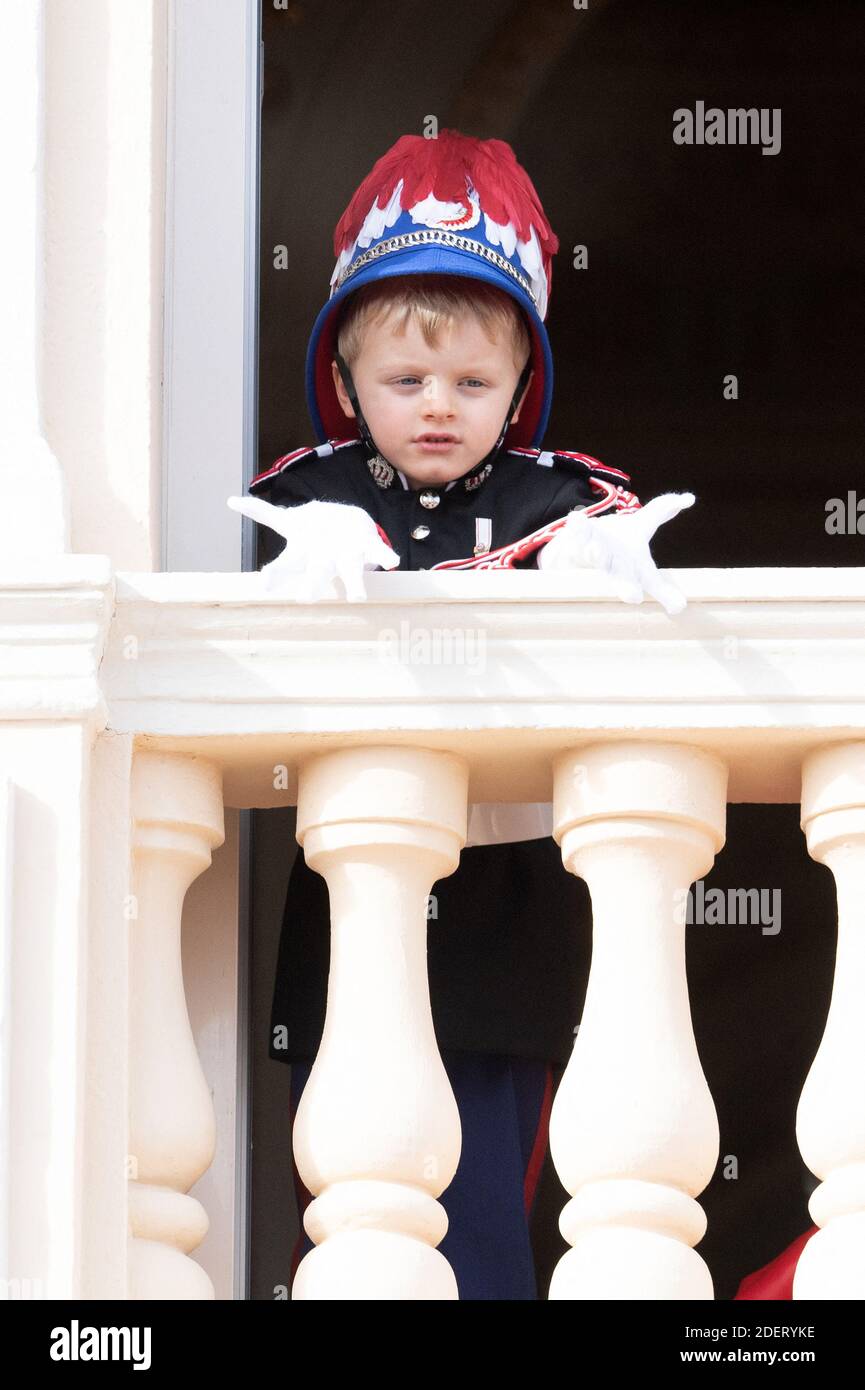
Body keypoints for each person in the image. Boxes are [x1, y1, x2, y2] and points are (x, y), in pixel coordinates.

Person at [229, 129, 694, 1299]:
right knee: (354, 1190)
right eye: (405, 381)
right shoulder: (313, 496)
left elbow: (598, 544)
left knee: (487, 1202)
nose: (438, 408)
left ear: (519, 388)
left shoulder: (559, 499)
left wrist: (596, 560)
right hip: (356, 891)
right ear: (344, 380)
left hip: (512, 903)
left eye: (473, 383)